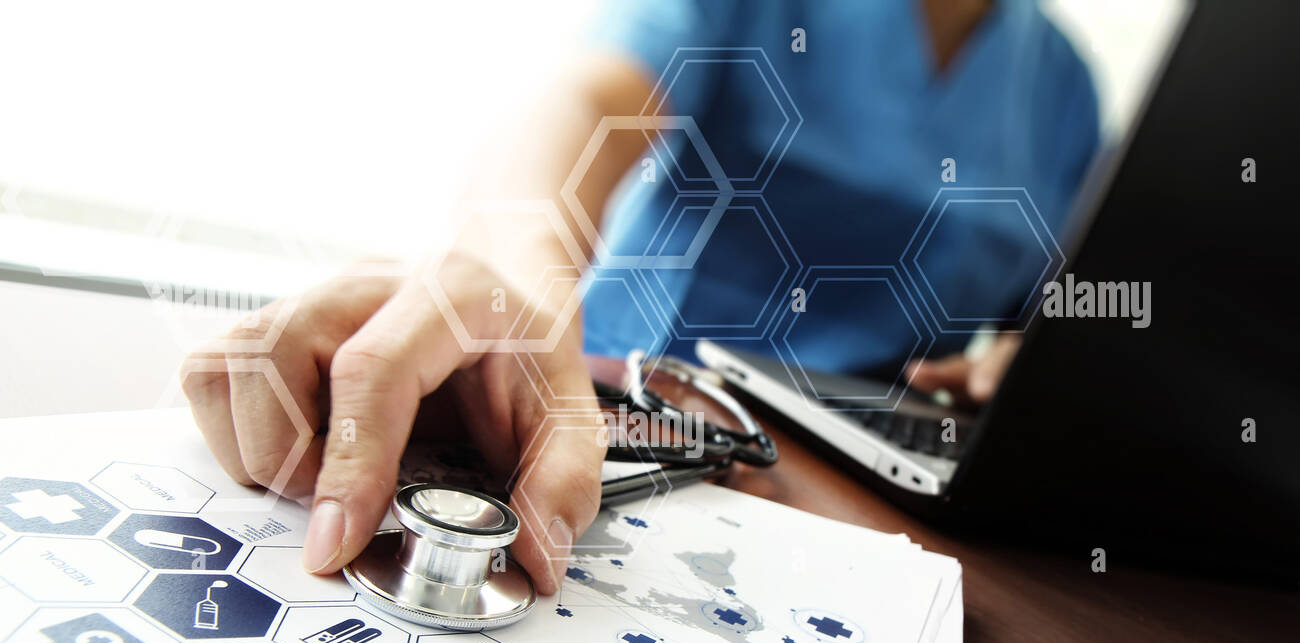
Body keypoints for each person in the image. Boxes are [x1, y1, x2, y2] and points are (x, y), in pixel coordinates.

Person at [182, 0, 1098, 594]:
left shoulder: (1066, 86)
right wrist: (520, 268)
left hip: (884, 485)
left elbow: (1042, 310)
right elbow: (583, 104)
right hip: (638, 417)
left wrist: (1025, 358)